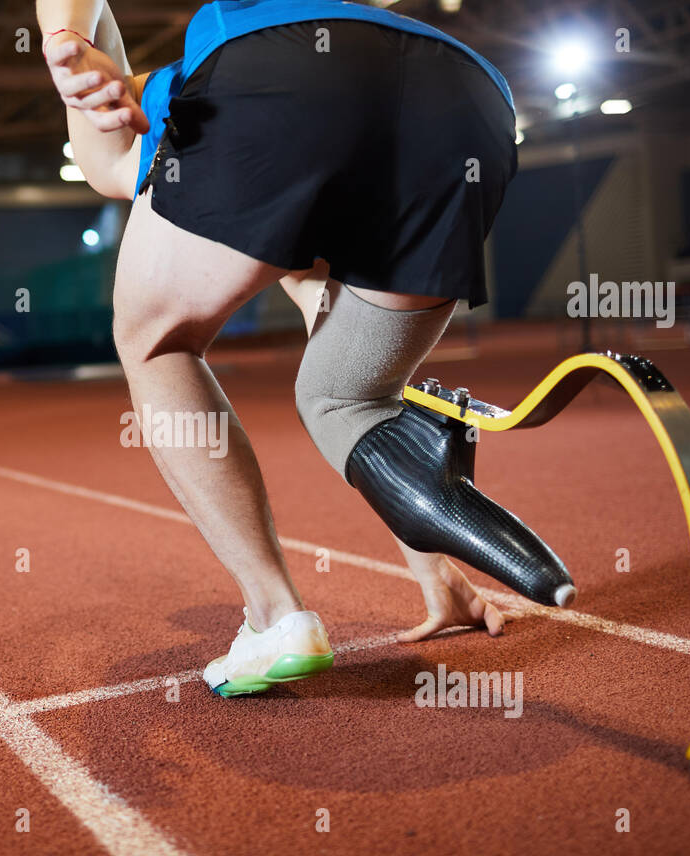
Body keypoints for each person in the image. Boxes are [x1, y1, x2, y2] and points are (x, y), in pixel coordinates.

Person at [37, 0, 574, 696]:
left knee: (154, 341)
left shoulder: (171, 114)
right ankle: (452, 529)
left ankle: (275, 615)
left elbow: (107, 143)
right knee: (344, 393)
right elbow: (337, 340)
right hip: (473, 105)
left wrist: (64, 41)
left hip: (272, 70)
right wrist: (429, 560)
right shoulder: (283, 194)